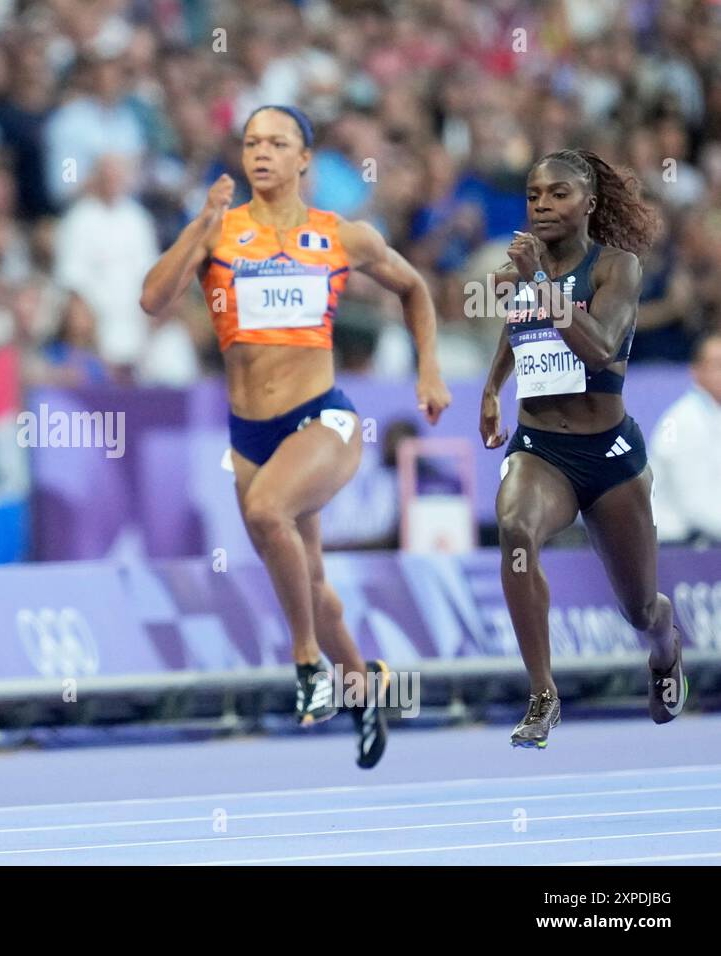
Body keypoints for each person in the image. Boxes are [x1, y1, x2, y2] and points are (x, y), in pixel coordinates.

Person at [141, 105, 450, 769]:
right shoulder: (220, 233)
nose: (262, 153)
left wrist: (428, 367)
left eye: (278, 143)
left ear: (305, 159)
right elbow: (152, 299)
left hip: (324, 419)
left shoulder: (341, 234)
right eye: (252, 142)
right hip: (249, 432)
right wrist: (199, 225)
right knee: (311, 581)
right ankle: (365, 689)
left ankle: (307, 662)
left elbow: (414, 287)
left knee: (264, 511)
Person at [480, 149, 684, 749]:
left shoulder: (616, 268)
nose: (543, 205)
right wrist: (493, 386)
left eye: (558, 194)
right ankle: (543, 693)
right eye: (534, 195)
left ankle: (665, 643)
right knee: (515, 529)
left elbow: (598, 345)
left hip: (610, 457)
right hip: (541, 449)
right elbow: (518, 326)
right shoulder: (521, 267)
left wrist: (538, 281)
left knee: (639, 608)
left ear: (589, 203)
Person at [647, 329, 721, 545]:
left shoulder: (714, 414)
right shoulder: (682, 422)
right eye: (718, 365)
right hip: (678, 546)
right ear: (697, 372)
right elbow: (696, 505)